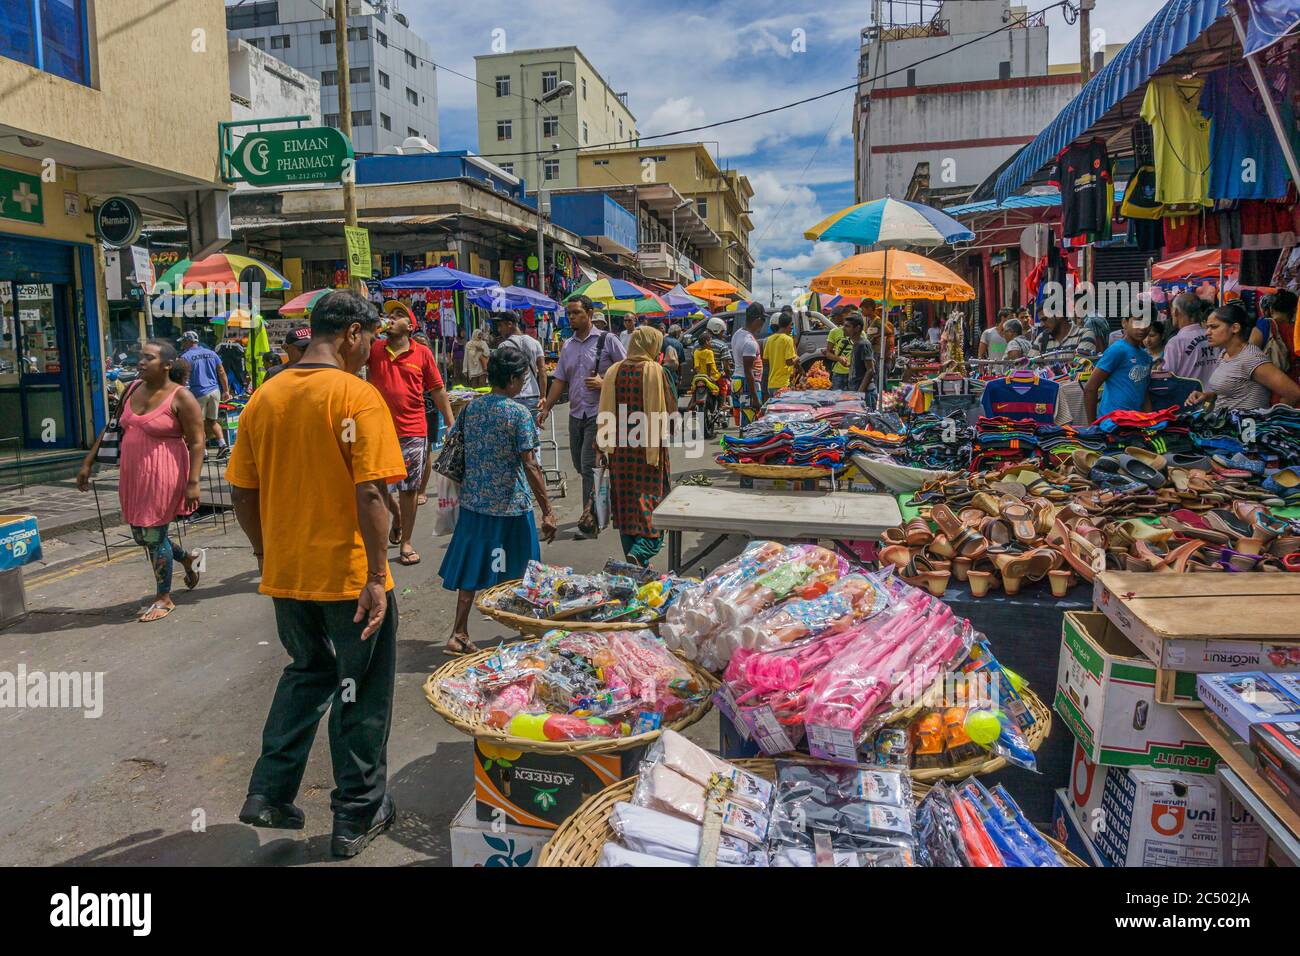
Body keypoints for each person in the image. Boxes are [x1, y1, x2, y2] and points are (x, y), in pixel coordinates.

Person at [227, 290, 406, 858]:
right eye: (371, 338)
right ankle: (356, 813)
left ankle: (270, 792)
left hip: (289, 575)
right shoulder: (356, 396)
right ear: (352, 333)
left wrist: (265, 553)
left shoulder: (265, 396)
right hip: (351, 579)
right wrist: (378, 575)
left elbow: (241, 490)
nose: (372, 349)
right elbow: (372, 490)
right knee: (361, 694)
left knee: (307, 673)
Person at [75, 340, 204, 623]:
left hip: (165, 472)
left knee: (154, 534)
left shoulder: (181, 397)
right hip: (133, 472)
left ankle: (163, 598)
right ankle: (185, 558)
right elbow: (112, 427)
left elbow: (197, 441)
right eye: (141, 357)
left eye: (149, 358)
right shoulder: (132, 389)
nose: (141, 362)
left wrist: (193, 482)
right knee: (142, 535)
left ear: (167, 365)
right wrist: (88, 462)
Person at [440, 348, 558, 654]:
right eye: (523, 378)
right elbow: (530, 465)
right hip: (511, 505)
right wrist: (547, 509)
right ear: (514, 379)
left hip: (474, 503)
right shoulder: (519, 413)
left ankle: (458, 632)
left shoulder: (472, 408)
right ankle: (529, 630)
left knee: (471, 570)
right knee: (525, 569)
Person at [367, 302, 454, 567]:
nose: (391, 319)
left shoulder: (423, 353)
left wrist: (451, 423)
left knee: (409, 489)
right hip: (379, 430)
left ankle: (406, 541)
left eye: (398, 316)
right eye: (389, 315)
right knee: (378, 487)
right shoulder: (374, 348)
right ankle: (396, 517)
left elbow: (437, 390)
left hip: (413, 430)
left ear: (410, 326)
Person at [537, 294, 626, 537]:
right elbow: (560, 380)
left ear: (589, 313)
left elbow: (627, 372)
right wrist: (546, 407)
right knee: (579, 463)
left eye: (576, 313)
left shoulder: (609, 341)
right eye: (569, 314)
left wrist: (605, 381)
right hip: (577, 414)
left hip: (601, 414)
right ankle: (602, 500)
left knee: (588, 466)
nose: (572, 318)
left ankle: (590, 521)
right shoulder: (568, 345)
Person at [597, 326, 675, 566]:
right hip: (648, 449)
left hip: (619, 451)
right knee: (654, 502)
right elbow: (671, 410)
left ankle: (633, 561)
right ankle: (641, 552)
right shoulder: (657, 372)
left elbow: (603, 413)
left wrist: (601, 448)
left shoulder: (612, 371)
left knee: (626, 504)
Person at [1188, 302, 1300, 410]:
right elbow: (1229, 391)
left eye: (1214, 327)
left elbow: (1294, 393)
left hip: (1245, 427)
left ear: (1235, 328)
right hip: (1223, 425)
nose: (1207, 332)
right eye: (1207, 327)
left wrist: (1273, 418)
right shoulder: (1224, 354)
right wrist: (1208, 396)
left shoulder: (1251, 358)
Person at [1084, 309, 1154, 422]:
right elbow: (1090, 388)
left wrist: (1151, 421)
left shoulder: (1146, 357)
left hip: (1135, 424)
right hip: (1112, 424)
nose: (1142, 327)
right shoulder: (1117, 350)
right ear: (1124, 323)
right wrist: (1092, 427)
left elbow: (1144, 393)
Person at [178, 330, 231, 458]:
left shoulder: (185, 357)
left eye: (184, 342)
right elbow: (222, 372)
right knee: (212, 421)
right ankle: (222, 445)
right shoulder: (211, 353)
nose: (182, 345)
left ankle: (204, 451)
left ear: (188, 342)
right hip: (215, 391)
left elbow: (184, 378)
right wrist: (226, 391)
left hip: (198, 393)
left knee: (199, 423)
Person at [492, 310, 546, 414]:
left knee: (512, 430)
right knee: (532, 429)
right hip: (533, 395)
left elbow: (500, 374)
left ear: (510, 324)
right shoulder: (535, 343)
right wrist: (543, 396)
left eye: (500, 326)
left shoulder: (503, 346)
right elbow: (542, 370)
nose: (499, 330)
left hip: (512, 397)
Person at [1162, 292, 1217, 387]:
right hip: (1214, 397)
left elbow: (1167, 377)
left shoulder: (1176, 342)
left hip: (1188, 398)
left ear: (1175, 312)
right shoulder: (1214, 336)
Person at [732, 302, 766, 423]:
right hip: (747, 384)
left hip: (737, 380)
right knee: (750, 425)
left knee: (743, 423)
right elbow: (748, 371)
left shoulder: (737, 334)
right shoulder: (749, 342)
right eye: (763, 320)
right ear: (758, 320)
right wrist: (756, 398)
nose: (763, 324)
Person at [1032, 308, 1100, 361]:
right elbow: (1029, 366)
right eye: (1040, 321)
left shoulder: (1084, 334)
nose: (1041, 324)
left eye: (1044, 319)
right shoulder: (1042, 338)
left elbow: (1079, 367)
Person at [688, 329, 723, 410]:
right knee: (721, 388)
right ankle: (721, 405)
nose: (711, 343)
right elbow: (709, 365)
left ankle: (693, 401)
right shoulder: (709, 352)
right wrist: (708, 376)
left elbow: (696, 366)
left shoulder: (696, 351)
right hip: (712, 375)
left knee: (694, 389)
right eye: (710, 341)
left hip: (699, 376)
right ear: (707, 342)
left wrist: (698, 375)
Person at [763, 311, 797, 392]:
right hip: (783, 385)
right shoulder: (788, 339)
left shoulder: (769, 339)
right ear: (787, 325)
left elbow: (765, 360)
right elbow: (789, 362)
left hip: (771, 385)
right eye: (791, 325)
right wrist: (797, 359)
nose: (792, 328)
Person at [823, 305, 856, 389]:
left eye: (834, 317)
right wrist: (838, 358)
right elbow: (828, 352)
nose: (832, 319)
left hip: (854, 373)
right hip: (838, 374)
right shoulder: (834, 332)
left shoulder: (859, 332)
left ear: (841, 315)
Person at [846, 312, 876, 403]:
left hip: (865, 393)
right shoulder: (856, 343)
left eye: (847, 326)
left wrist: (859, 393)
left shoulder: (863, 344)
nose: (844, 329)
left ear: (857, 328)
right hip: (856, 390)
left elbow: (870, 370)